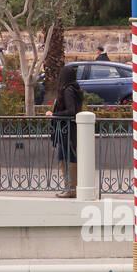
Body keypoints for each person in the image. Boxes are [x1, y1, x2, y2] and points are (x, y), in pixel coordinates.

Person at [50, 64, 82, 196]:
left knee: (68, 156)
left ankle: (71, 188)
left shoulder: (68, 90)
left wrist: (54, 115)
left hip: (66, 130)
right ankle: (69, 187)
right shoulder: (74, 88)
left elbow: (71, 111)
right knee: (64, 156)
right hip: (67, 129)